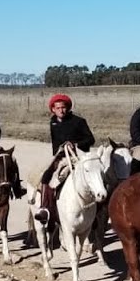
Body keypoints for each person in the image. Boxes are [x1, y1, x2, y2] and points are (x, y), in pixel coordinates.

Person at [34, 94, 96, 229]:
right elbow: (55, 143)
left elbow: (91, 139)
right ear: (53, 109)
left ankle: (97, 213)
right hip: (61, 156)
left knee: (96, 177)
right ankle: (45, 208)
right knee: (46, 177)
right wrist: (56, 156)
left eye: (63, 107)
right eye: (58, 108)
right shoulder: (53, 122)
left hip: (79, 156)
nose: (61, 110)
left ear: (68, 108)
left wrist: (75, 144)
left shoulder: (79, 121)